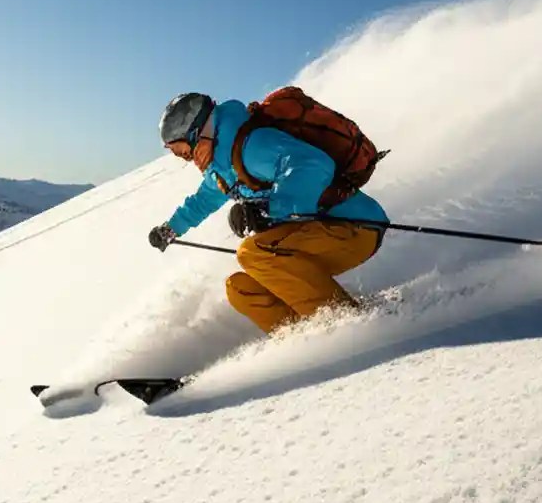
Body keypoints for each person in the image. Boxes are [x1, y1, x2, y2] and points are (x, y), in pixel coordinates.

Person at [148, 92, 389, 334]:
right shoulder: (221, 168)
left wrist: (269, 210)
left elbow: (313, 164)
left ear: (199, 133)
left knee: (253, 253)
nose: (188, 160)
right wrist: (170, 229)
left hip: (351, 225)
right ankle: (305, 336)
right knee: (240, 288)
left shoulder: (252, 146)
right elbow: (203, 200)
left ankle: (348, 326)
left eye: (183, 152)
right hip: (314, 234)